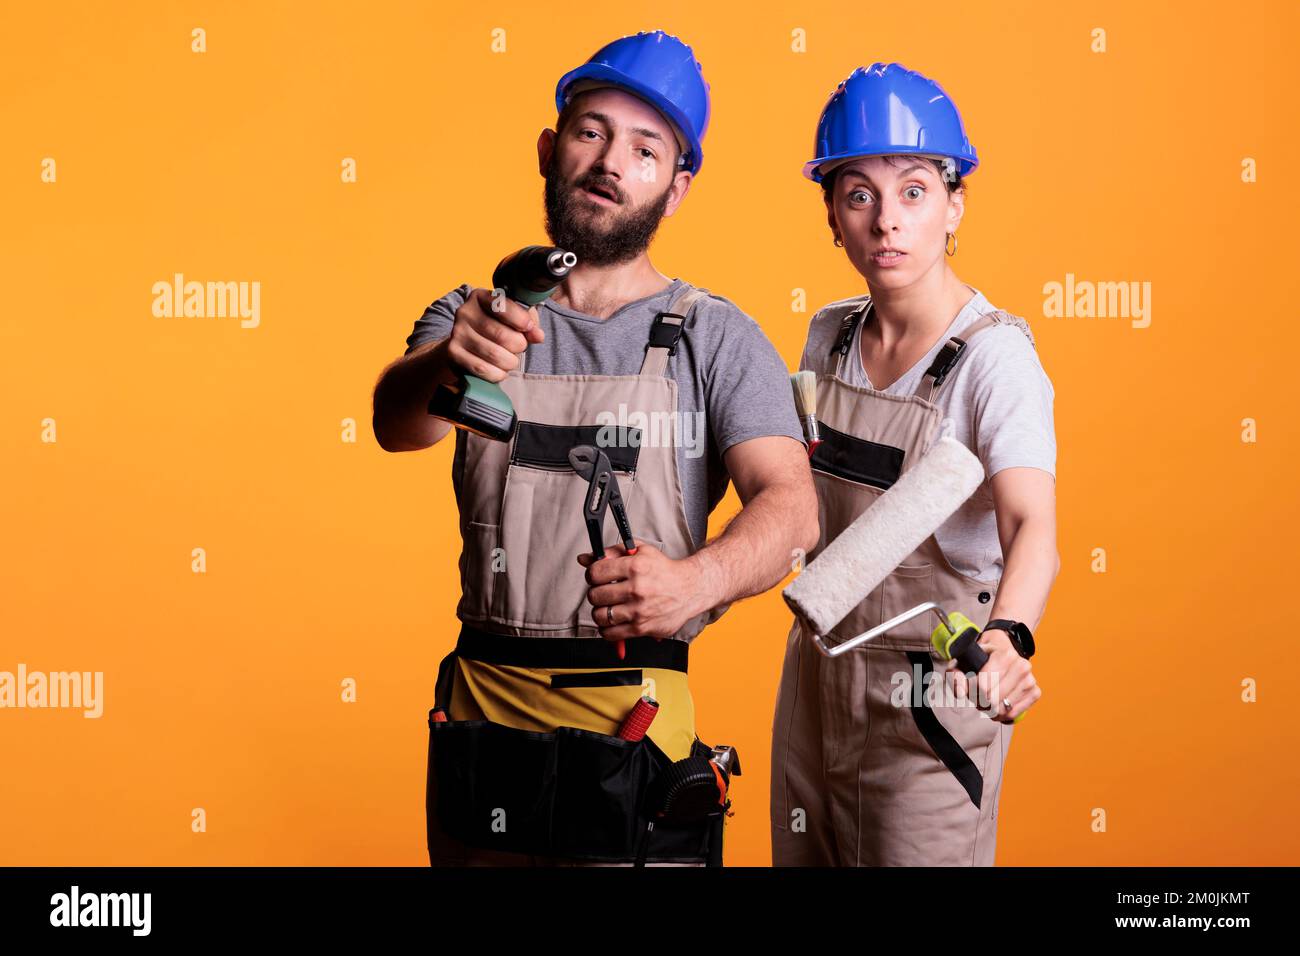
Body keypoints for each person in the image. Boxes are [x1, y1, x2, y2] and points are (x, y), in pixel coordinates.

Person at [372, 30, 818, 866]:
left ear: (676, 189)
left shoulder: (715, 339)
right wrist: (450, 361)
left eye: (645, 149)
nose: (613, 161)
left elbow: (795, 508)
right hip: (484, 726)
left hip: (633, 731)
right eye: (592, 132)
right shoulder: (479, 315)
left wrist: (697, 581)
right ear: (551, 149)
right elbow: (399, 424)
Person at [770, 62, 1059, 866]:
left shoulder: (993, 360)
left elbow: (1033, 525)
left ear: (954, 201)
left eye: (913, 191)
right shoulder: (826, 338)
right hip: (816, 687)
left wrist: (1009, 635)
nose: (885, 222)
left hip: (926, 707)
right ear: (831, 213)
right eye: (858, 194)